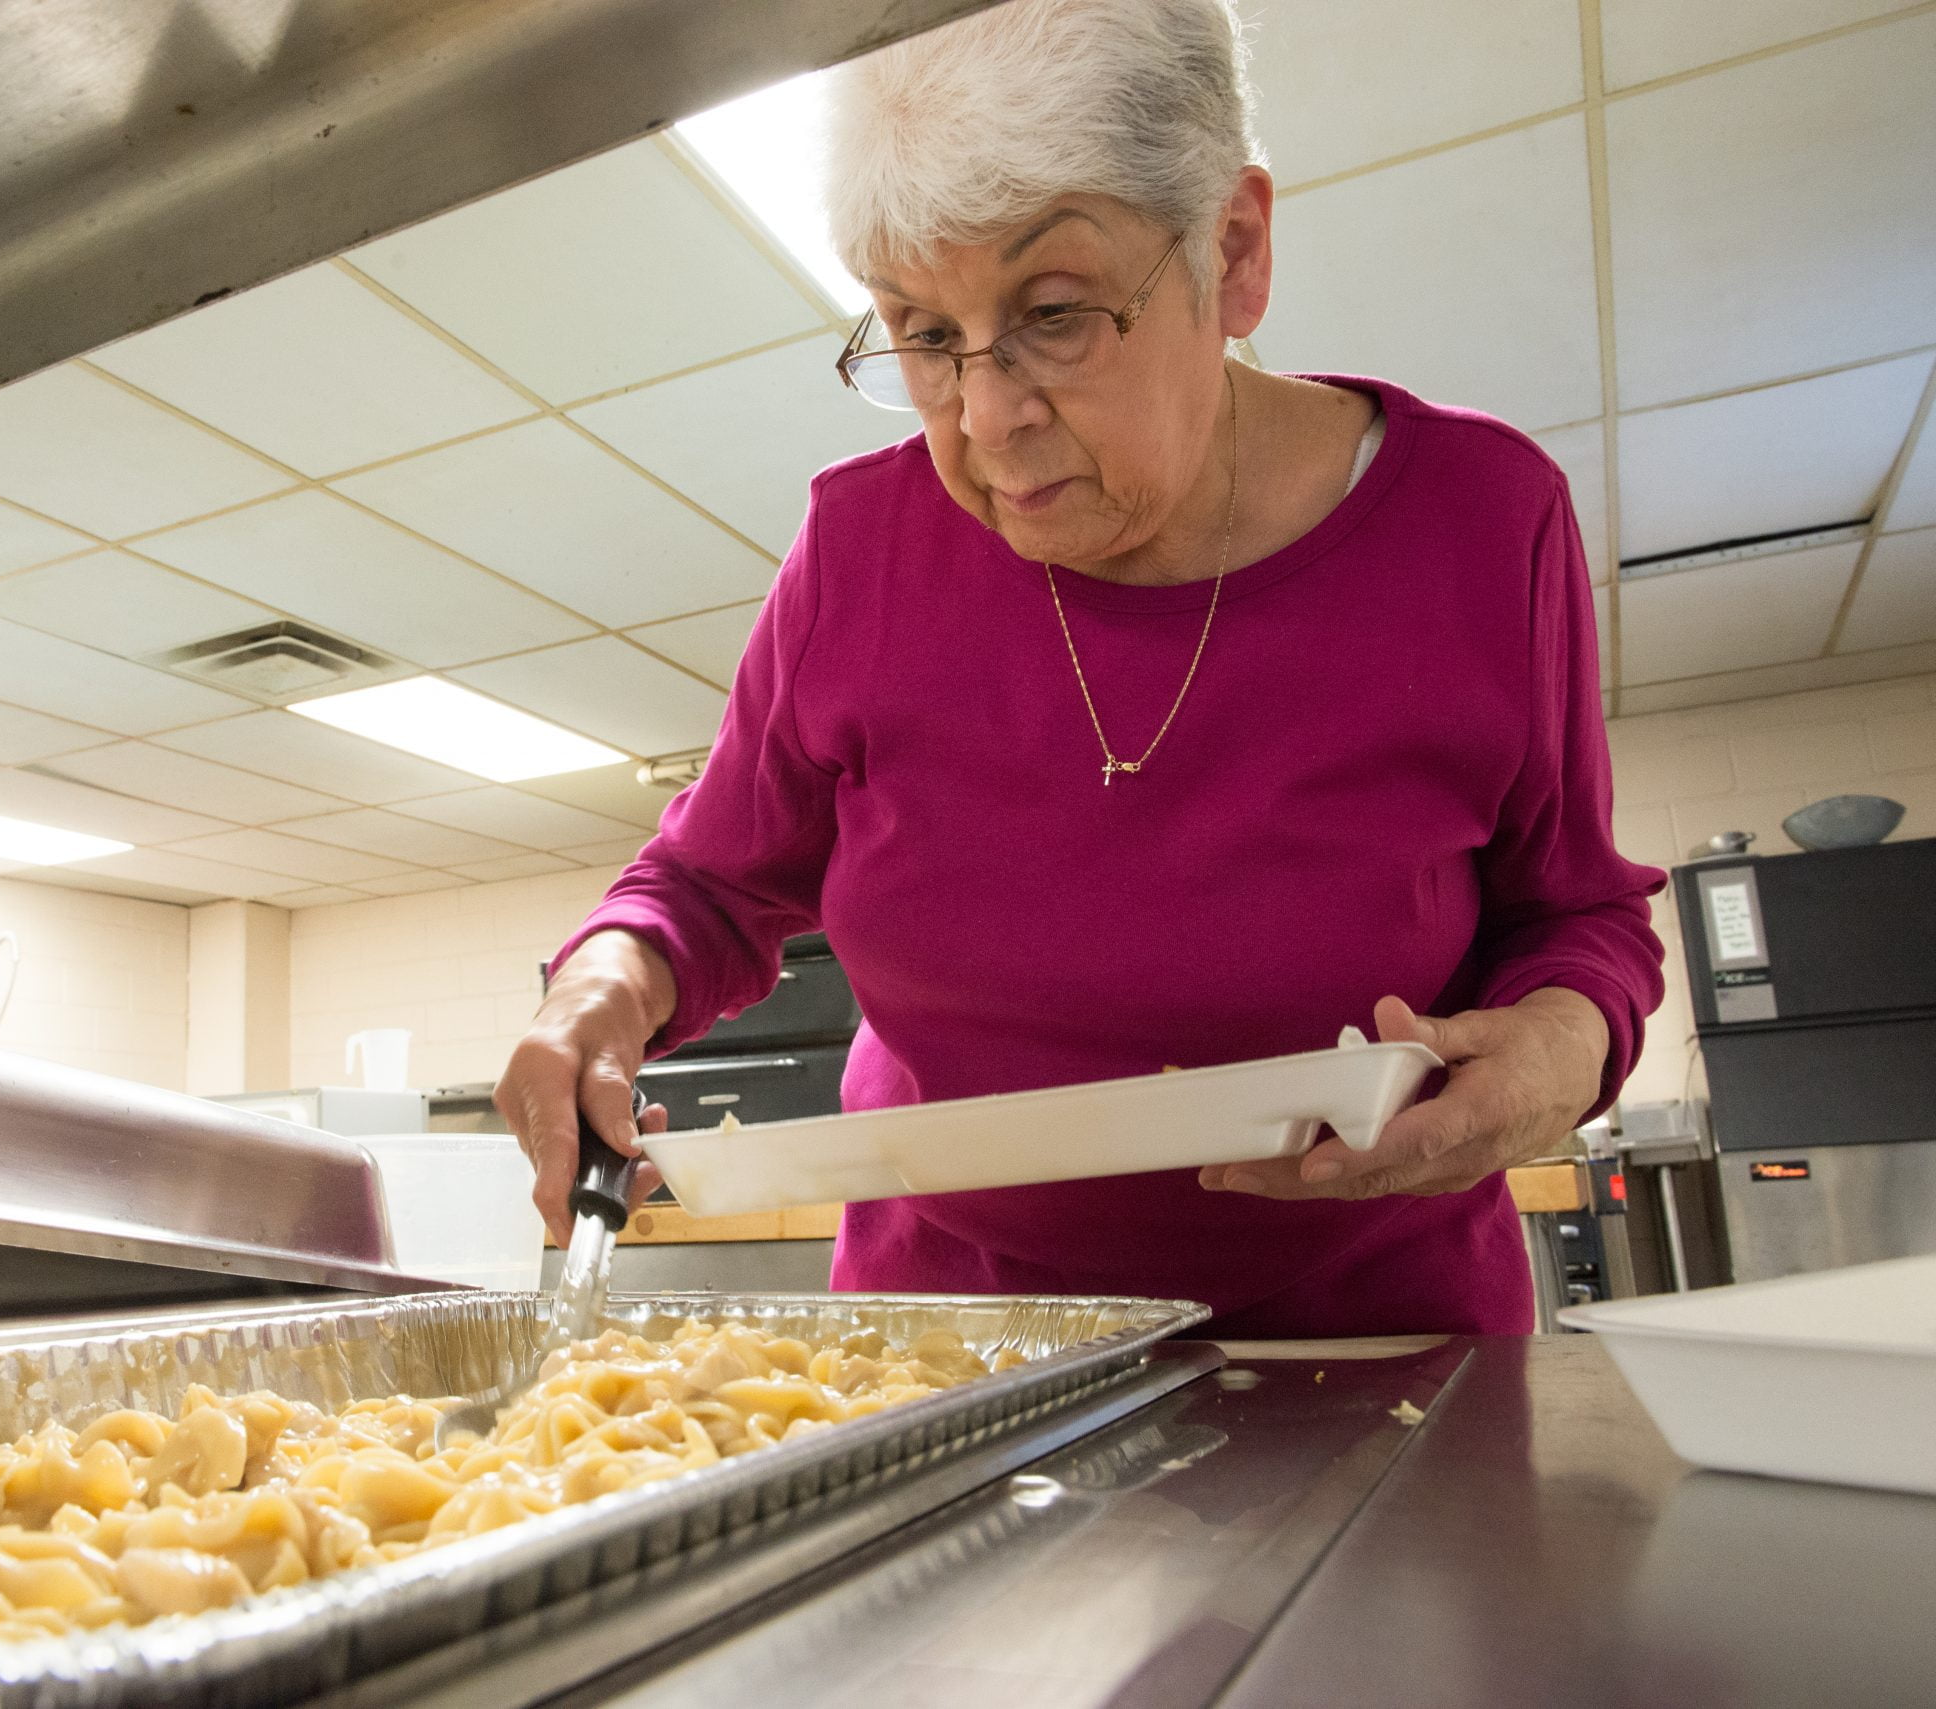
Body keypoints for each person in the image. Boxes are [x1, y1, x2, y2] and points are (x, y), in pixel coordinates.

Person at [495, 0, 1664, 1335]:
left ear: (1232, 252)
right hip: (954, 1333)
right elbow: (701, 888)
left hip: (1372, 1325)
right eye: (924, 334)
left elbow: (1581, 915)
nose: (987, 419)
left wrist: (1562, 1050)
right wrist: (601, 988)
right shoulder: (860, 551)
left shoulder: (1482, 520)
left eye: (1052, 315)